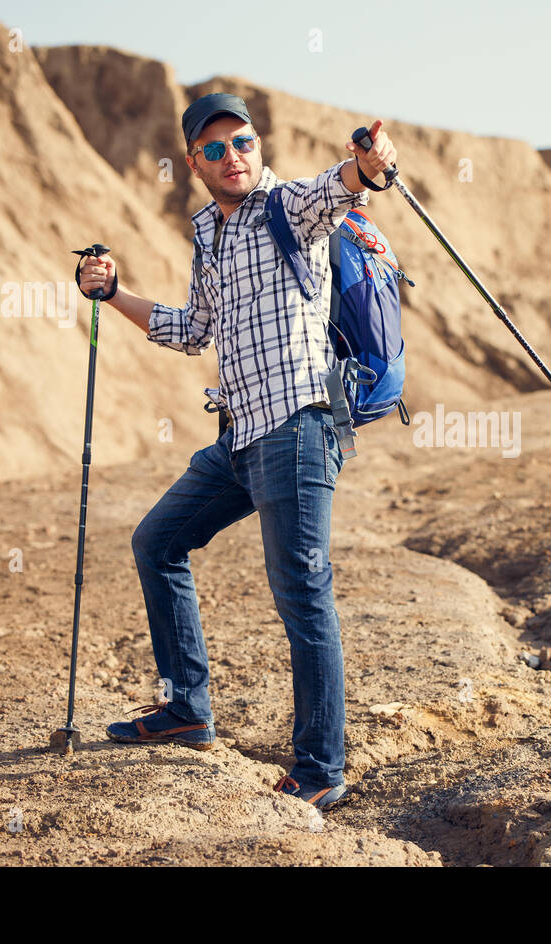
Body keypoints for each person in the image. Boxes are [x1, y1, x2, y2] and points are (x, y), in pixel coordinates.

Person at [76, 92, 397, 810]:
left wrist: (370, 165)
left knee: (302, 595)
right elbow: (193, 330)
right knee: (157, 541)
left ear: (260, 146)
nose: (233, 158)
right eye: (215, 150)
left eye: (243, 143)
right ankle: (186, 708)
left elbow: (345, 181)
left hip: (300, 429)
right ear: (194, 162)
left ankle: (319, 770)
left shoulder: (292, 206)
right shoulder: (209, 235)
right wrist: (115, 295)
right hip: (240, 436)